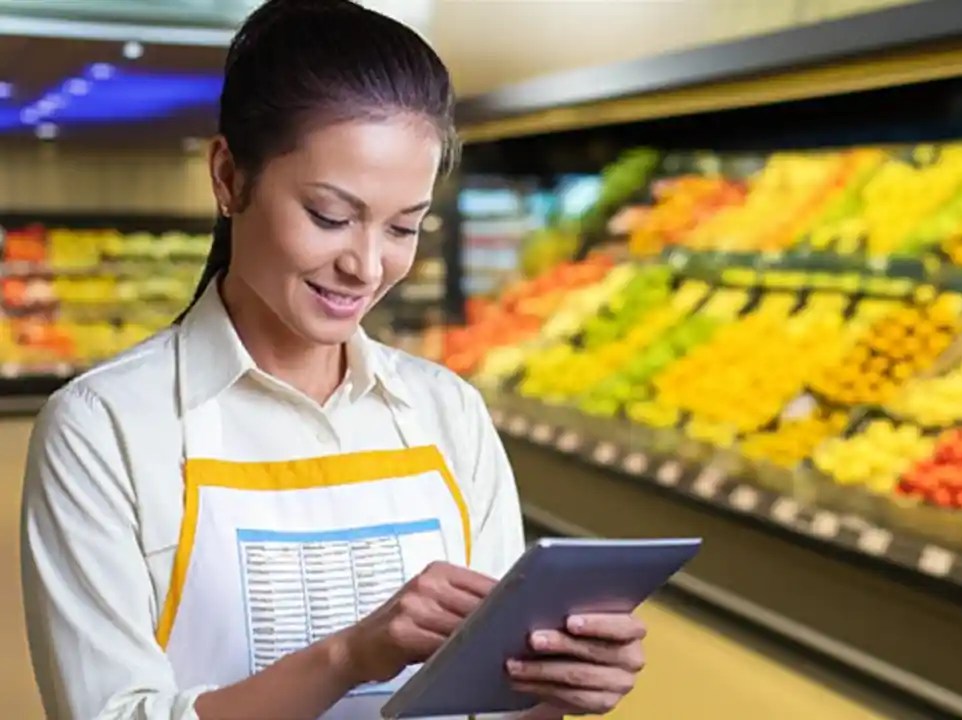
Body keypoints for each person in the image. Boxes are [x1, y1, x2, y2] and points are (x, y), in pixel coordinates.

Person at [19, 2, 647, 718]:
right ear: (228, 177)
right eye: (329, 216)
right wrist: (349, 656)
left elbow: (491, 701)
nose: (367, 265)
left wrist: (557, 688)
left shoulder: (450, 413)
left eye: (405, 226)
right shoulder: (105, 428)